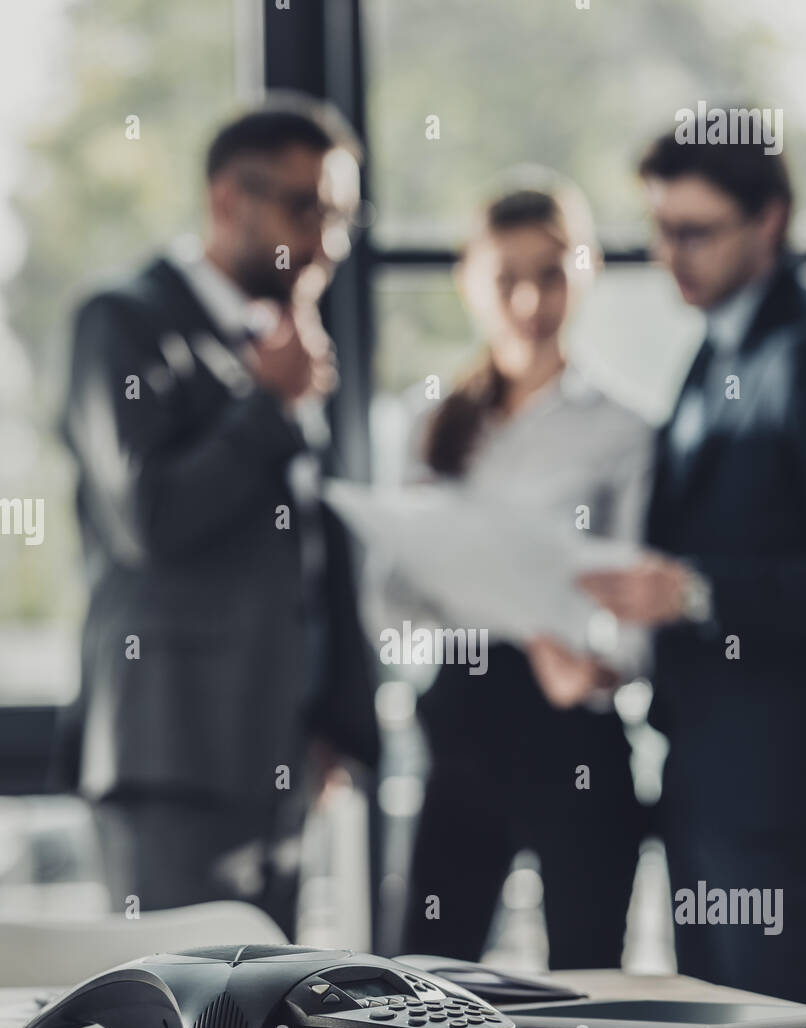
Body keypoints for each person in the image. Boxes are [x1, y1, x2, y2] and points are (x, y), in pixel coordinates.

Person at [61, 96, 379, 935]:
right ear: (226, 199)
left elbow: (312, 551)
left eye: (342, 214)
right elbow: (147, 520)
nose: (327, 240)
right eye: (305, 207)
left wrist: (333, 720)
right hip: (172, 758)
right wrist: (268, 404)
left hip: (283, 761)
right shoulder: (122, 322)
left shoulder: (288, 348)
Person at [582, 129, 806, 1005]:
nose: (671, 255)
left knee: (779, 1025)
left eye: (696, 231)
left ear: (769, 220)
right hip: (702, 751)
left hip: (777, 765)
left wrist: (696, 590)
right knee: (710, 1022)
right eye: (660, 230)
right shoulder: (714, 352)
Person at [376, 181, 652, 968]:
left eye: (553, 273)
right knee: (428, 970)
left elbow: (636, 593)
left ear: (587, 271)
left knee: (589, 974)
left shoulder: (625, 428)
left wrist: (600, 669)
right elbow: (390, 596)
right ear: (469, 280)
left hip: (574, 718)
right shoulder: (425, 422)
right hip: (461, 714)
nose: (530, 300)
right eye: (506, 278)